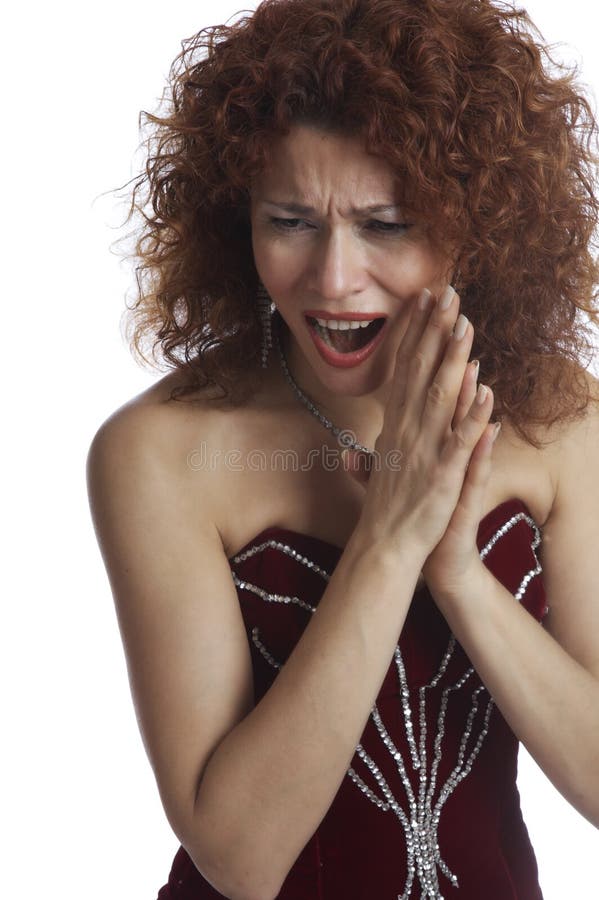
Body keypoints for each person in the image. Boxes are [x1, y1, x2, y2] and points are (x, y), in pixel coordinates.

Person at [86, 0, 599, 897]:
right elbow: (238, 858)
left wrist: (457, 571)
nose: (331, 280)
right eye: (289, 221)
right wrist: (391, 537)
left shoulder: (563, 419)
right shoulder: (158, 452)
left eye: (387, 225)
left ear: (475, 220)